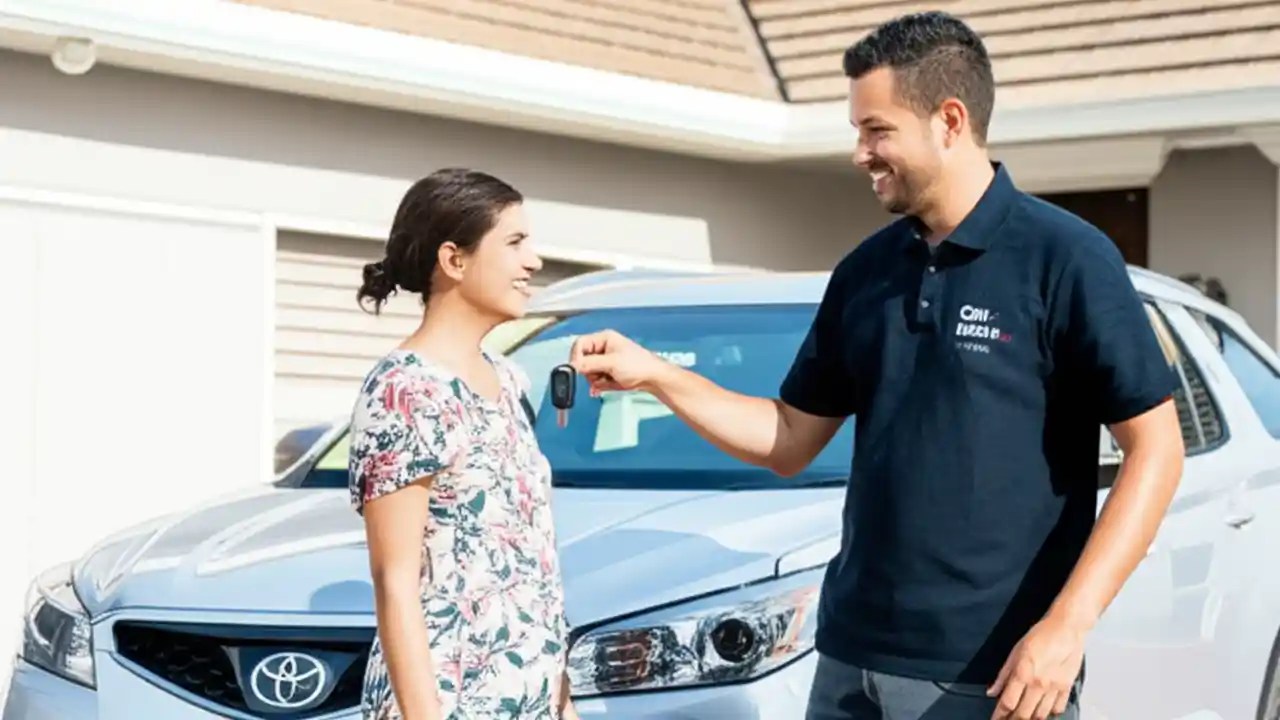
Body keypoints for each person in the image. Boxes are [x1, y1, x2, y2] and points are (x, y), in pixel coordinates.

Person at [567, 11, 1184, 720]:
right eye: (859, 131)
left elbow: (1156, 451)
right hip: (850, 659)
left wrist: (1067, 626)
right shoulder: (866, 272)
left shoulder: (1066, 259)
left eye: (876, 129)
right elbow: (789, 438)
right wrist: (658, 376)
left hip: (992, 671)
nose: (860, 152)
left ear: (949, 120)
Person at [347, 168, 578, 720]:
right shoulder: (405, 390)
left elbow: (531, 569)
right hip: (450, 702)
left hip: (530, 699)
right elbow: (395, 581)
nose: (535, 262)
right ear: (454, 260)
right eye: (515, 242)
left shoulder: (509, 380)